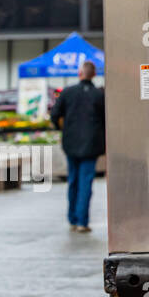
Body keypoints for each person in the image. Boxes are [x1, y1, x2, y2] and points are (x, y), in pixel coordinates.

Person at [50, 60, 105, 234]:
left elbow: (54, 114)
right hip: (92, 145)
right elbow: (106, 120)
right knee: (86, 182)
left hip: (71, 143)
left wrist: (62, 129)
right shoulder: (99, 95)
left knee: (73, 180)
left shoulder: (67, 92)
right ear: (94, 75)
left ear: (79, 74)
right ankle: (82, 221)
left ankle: (72, 219)